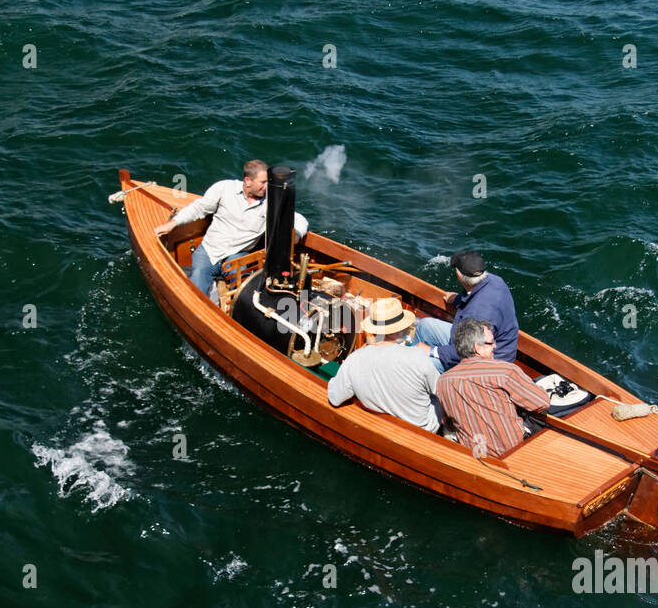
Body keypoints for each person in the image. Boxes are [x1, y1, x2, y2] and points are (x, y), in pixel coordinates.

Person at [152, 160, 308, 297]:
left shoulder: (270, 202)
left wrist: (297, 235)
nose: (267, 187)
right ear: (248, 181)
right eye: (262, 182)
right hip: (209, 251)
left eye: (268, 182)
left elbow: (300, 219)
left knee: (245, 292)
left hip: (237, 256)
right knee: (196, 288)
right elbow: (198, 208)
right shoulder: (224, 189)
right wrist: (173, 223)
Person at [436, 318, 554, 457]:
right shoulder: (504, 371)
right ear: (477, 348)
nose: (495, 346)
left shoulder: (443, 381)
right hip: (513, 454)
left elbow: (448, 424)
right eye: (491, 342)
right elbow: (541, 402)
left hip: (478, 456)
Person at [327, 297, 442, 433]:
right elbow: (443, 393)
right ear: (400, 328)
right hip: (422, 430)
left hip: (381, 425)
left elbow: (335, 398)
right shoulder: (418, 357)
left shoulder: (355, 359)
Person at [411, 251, 519, 372]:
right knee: (425, 325)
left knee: (420, 363)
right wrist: (457, 299)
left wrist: (431, 351)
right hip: (482, 343)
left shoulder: (477, 314)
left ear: (458, 274)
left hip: (487, 364)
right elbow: (477, 296)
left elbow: (467, 351)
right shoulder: (496, 281)